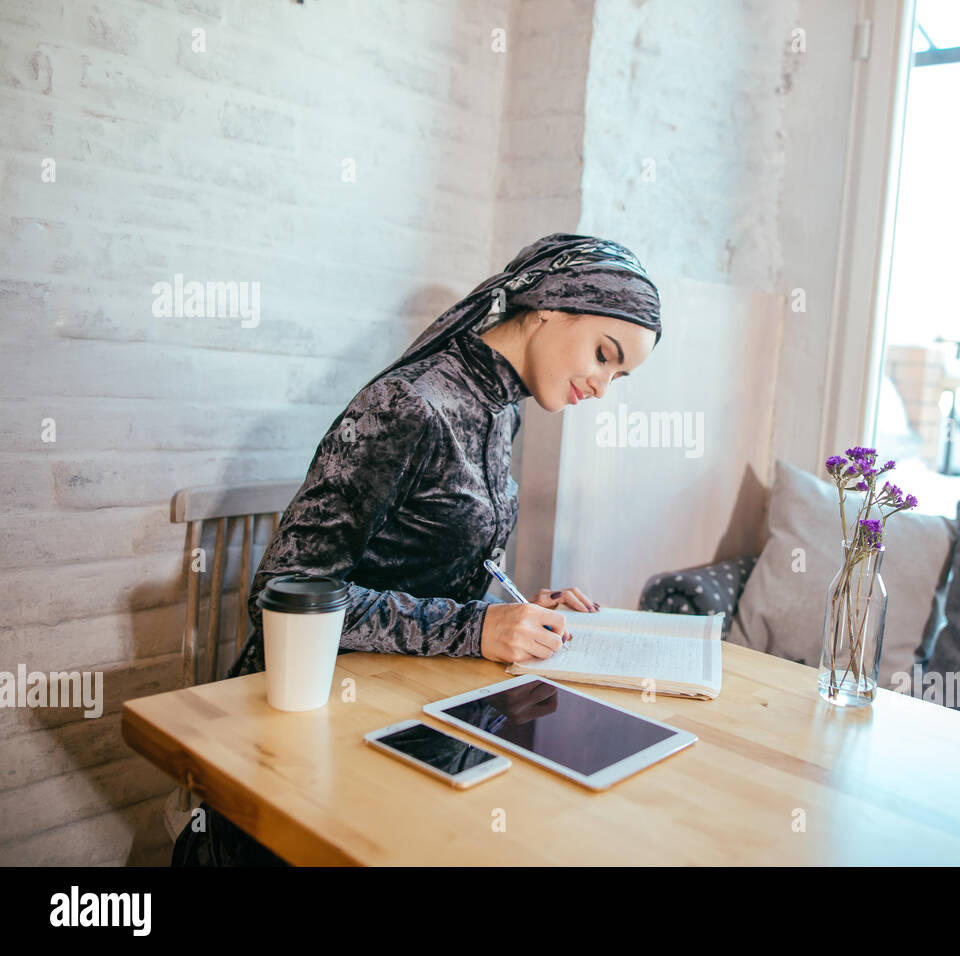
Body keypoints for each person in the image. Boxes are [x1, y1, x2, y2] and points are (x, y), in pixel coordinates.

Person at [171, 233, 662, 866]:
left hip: (398, 709)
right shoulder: (411, 403)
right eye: (604, 355)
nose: (601, 386)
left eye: (618, 376)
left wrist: (516, 612)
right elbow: (284, 594)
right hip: (301, 740)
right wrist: (476, 627)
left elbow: (427, 570)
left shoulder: (499, 410)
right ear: (547, 306)